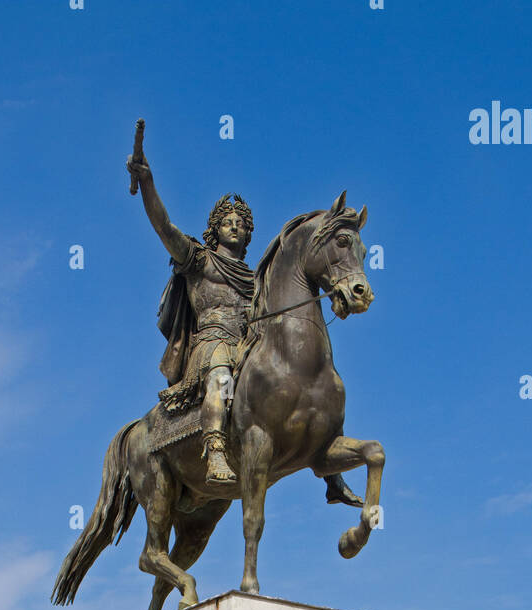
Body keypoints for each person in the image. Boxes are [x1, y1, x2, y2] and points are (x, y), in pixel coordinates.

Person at [127, 139, 362, 505]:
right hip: (211, 344)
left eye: (241, 223)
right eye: (227, 222)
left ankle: (331, 472)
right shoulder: (197, 260)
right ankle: (215, 448)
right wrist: (147, 184)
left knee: (311, 384)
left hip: (246, 343)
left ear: (249, 232)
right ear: (215, 228)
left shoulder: (256, 280)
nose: (234, 227)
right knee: (221, 374)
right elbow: (163, 226)